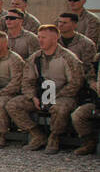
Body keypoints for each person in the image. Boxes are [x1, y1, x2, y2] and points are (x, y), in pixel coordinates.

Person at [6, 24, 84, 153]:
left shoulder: (68, 57)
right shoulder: (35, 58)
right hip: (41, 96)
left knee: (60, 107)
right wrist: (33, 97)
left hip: (64, 96)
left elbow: (76, 83)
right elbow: (27, 81)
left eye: (44, 37)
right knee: (13, 104)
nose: (40, 40)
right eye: (39, 37)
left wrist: (54, 97)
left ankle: (54, 137)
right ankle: (37, 135)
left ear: (55, 38)